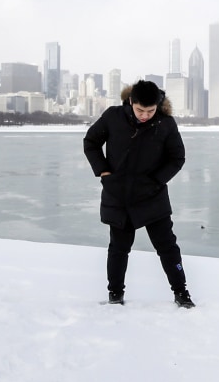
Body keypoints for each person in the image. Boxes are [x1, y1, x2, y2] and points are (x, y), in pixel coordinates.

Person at [83, 80, 195, 308]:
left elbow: (177, 157)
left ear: (158, 105)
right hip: (118, 194)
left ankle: (182, 295)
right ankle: (115, 296)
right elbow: (91, 142)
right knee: (118, 249)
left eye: (151, 111)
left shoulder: (165, 123)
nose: (145, 116)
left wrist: (156, 180)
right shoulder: (113, 117)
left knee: (167, 247)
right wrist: (103, 171)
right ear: (131, 102)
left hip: (152, 195)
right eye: (140, 110)